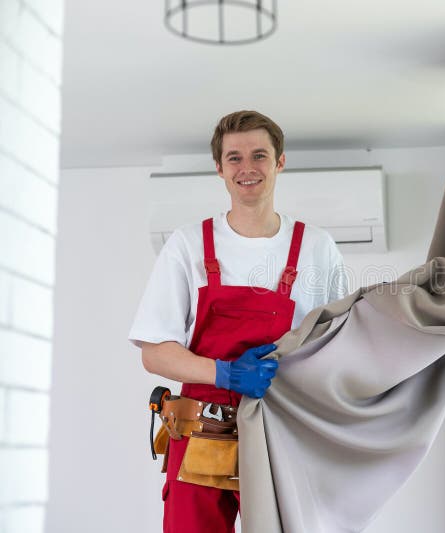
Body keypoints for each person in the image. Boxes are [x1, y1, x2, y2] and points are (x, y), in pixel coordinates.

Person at [128, 110, 348, 532]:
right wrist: (225, 373)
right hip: (198, 428)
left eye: (260, 155)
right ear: (219, 168)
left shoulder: (317, 248)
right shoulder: (189, 244)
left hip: (282, 428)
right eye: (234, 158)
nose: (247, 168)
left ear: (280, 162)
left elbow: (341, 346)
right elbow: (154, 353)